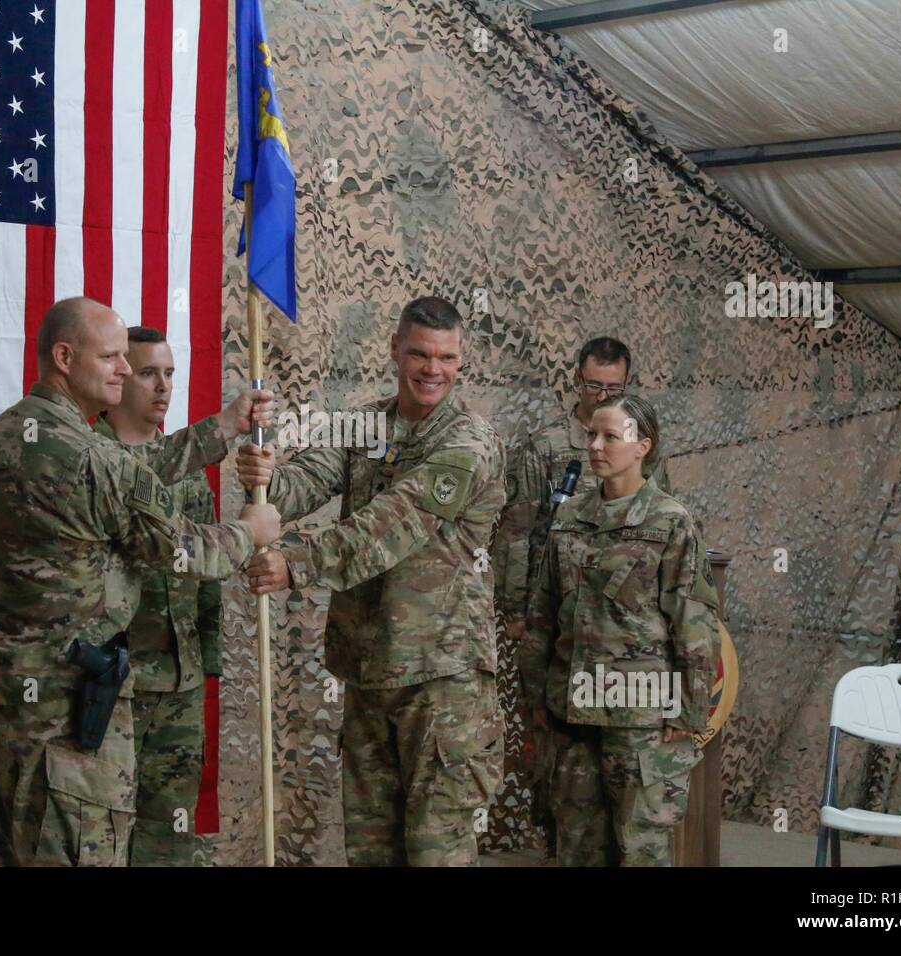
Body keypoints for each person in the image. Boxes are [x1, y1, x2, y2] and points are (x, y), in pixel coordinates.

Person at [0, 296, 280, 866]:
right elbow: (183, 550)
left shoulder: (0, 437)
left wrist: (223, 428)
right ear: (64, 357)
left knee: (12, 851)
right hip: (70, 705)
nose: (126, 371)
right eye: (112, 357)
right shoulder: (88, 459)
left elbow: (126, 478)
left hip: (3, 695)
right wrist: (250, 529)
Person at [237, 296, 506, 866]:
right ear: (395, 351)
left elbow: (399, 518)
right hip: (369, 672)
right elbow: (305, 481)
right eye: (419, 354)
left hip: (443, 681)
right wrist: (266, 480)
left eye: (446, 357)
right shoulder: (364, 425)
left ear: (461, 361)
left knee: (436, 852)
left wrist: (298, 563)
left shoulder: (471, 441)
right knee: (371, 852)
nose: (433, 370)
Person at [523, 394, 720, 866]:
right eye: (592, 434)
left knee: (641, 848)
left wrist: (687, 710)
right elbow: (542, 614)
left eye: (611, 436)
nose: (595, 446)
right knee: (574, 845)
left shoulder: (670, 522)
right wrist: (536, 699)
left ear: (642, 446)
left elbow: (693, 622)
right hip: (572, 712)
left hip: (641, 715)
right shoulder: (569, 518)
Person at [492, 337, 666, 839]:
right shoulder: (546, 445)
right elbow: (519, 531)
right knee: (554, 732)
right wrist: (515, 609)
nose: (602, 394)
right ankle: (558, 838)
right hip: (557, 613)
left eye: (614, 386)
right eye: (594, 384)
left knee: (622, 747)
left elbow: (661, 517)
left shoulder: (639, 439)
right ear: (576, 380)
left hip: (625, 623)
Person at [92, 325, 220, 866]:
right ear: (119, 376)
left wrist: (207, 657)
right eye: (148, 373)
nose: (162, 386)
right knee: (98, 829)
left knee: (171, 829)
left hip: (178, 679)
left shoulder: (189, 471)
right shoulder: (89, 456)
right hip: (109, 681)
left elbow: (209, 571)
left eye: (169, 374)